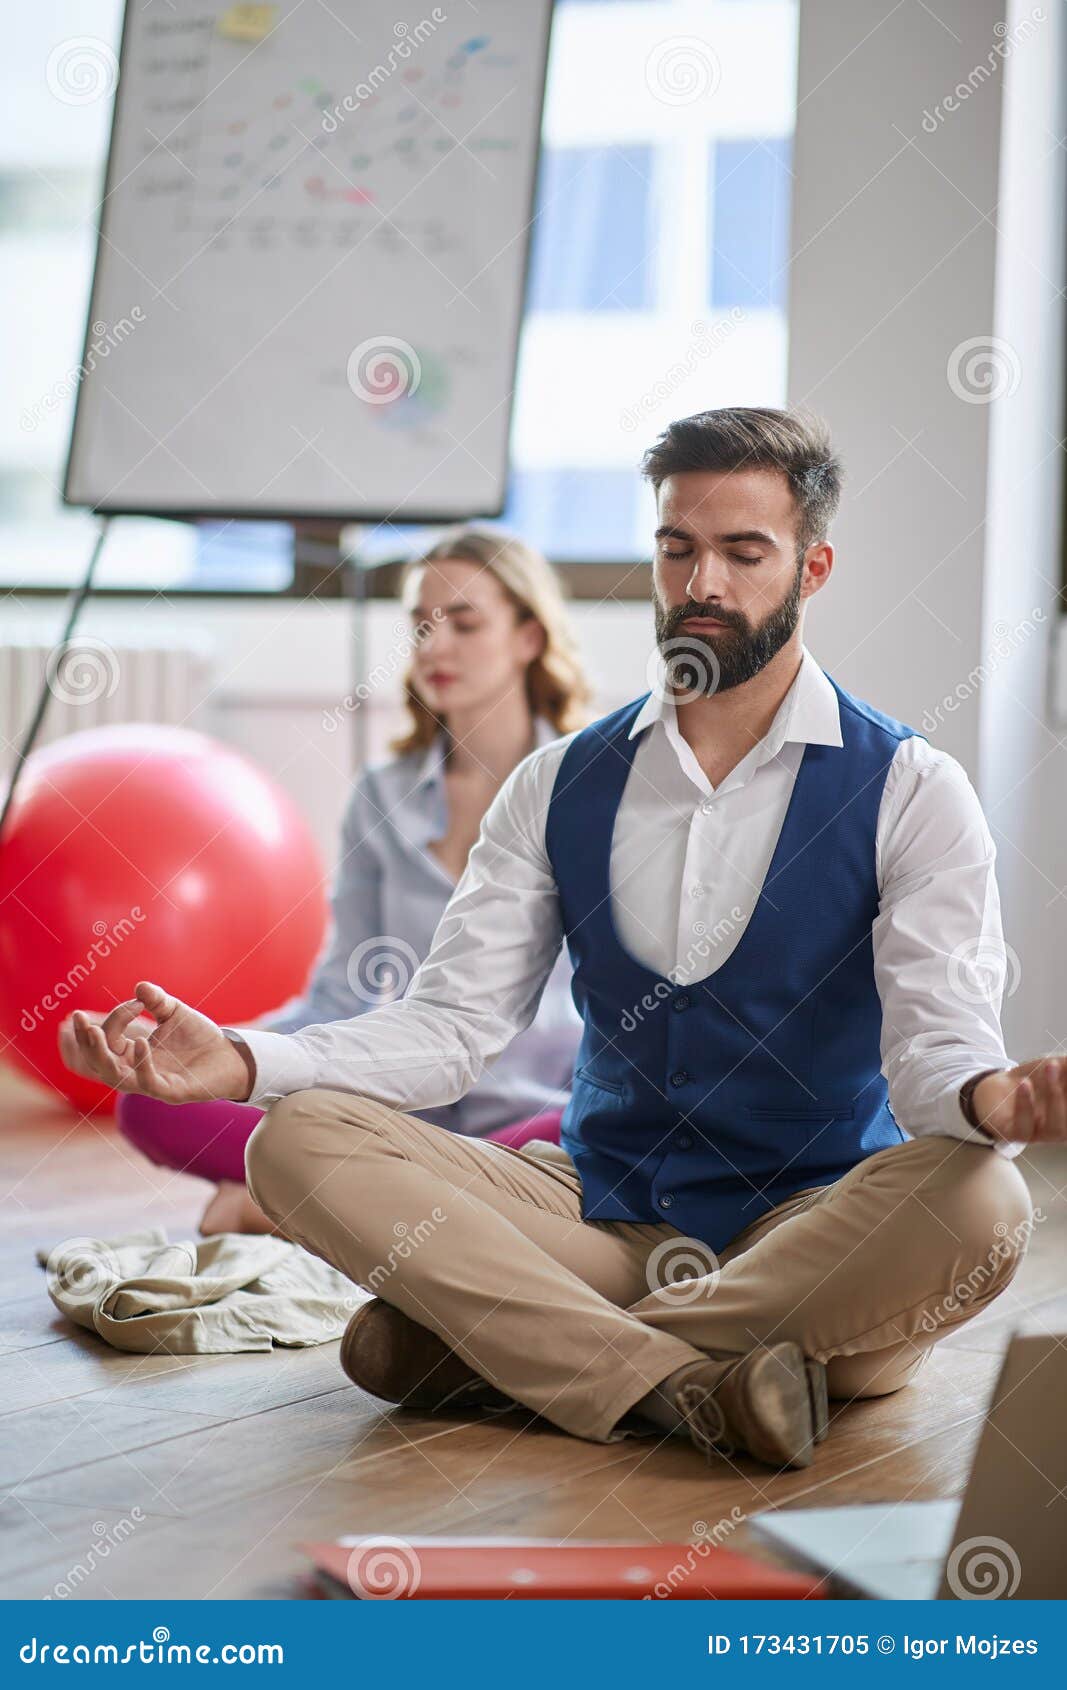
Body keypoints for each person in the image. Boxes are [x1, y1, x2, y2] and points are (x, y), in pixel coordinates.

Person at [64, 407, 1051, 1474]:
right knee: (294, 1142)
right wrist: (245, 1060)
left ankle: (500, 1354)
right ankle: (685, 1383)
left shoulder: (910, 789)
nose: (701, 584)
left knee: (980, 1199)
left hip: (812, 1225)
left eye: (741, 552)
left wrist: (986, 1099)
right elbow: (450, 1030)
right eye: (678, 549)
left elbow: (930, 1056)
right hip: (603, 1218)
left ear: (810, 567)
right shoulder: (559, 782)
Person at [61, 524, 588, 1236]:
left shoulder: (585, 788)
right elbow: (340, 993)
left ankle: (323, 1199)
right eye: (422, 625)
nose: (435, 646)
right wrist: (212, 1047)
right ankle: (410, 1205)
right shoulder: (383, 794)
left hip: (534, 1109)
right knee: (151, 1102)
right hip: (400, 1105)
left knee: (596, 1126)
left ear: (528, 636)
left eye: (463, 623)